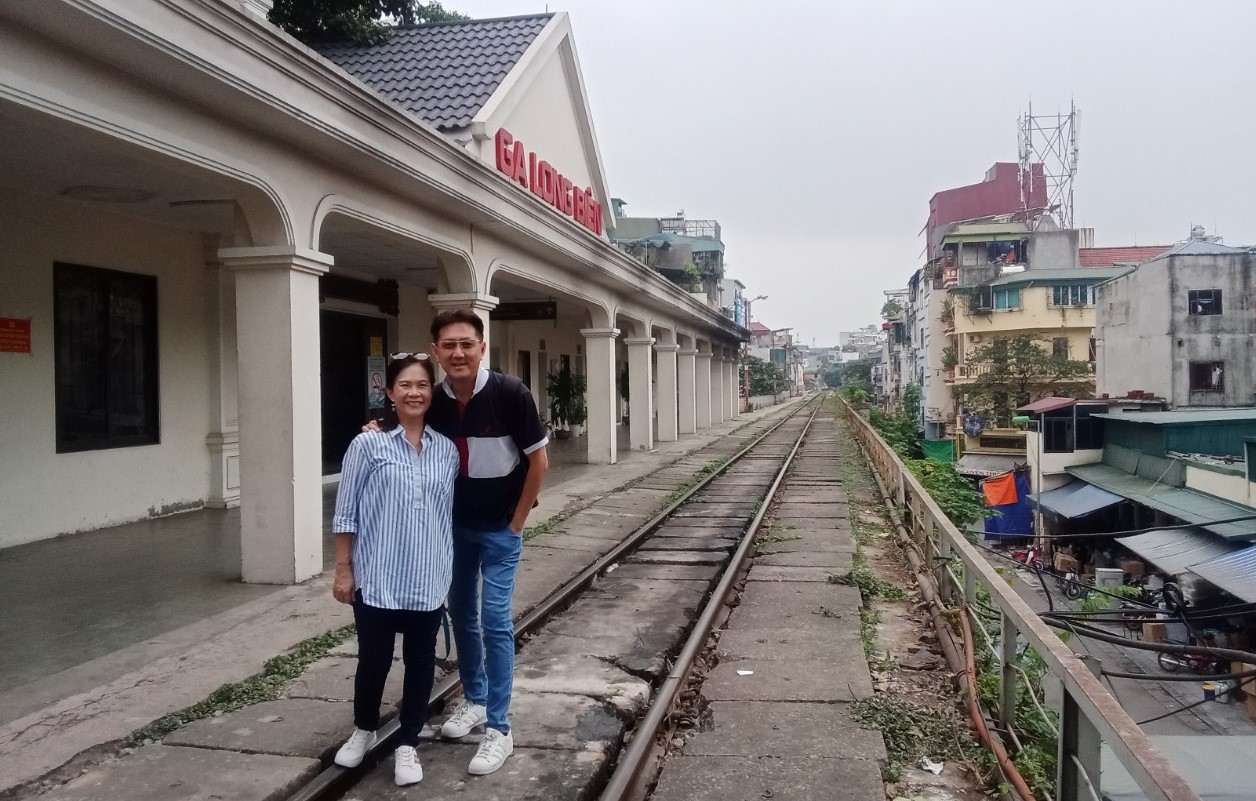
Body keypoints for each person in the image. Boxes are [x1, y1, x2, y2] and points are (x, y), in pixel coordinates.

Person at [330, 353, 458, 787]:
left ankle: (408, 743)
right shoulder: (367, 445)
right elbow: (345, 514)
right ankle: (364, 730)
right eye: (405, 385)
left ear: (431, 392)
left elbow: (446, 514)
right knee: (374, 660)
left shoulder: (446, 451)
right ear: (389, 393)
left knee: (421, 663)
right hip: (378, 577)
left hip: (427, 576)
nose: (414, 392)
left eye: (422, 385)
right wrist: (344, 570)